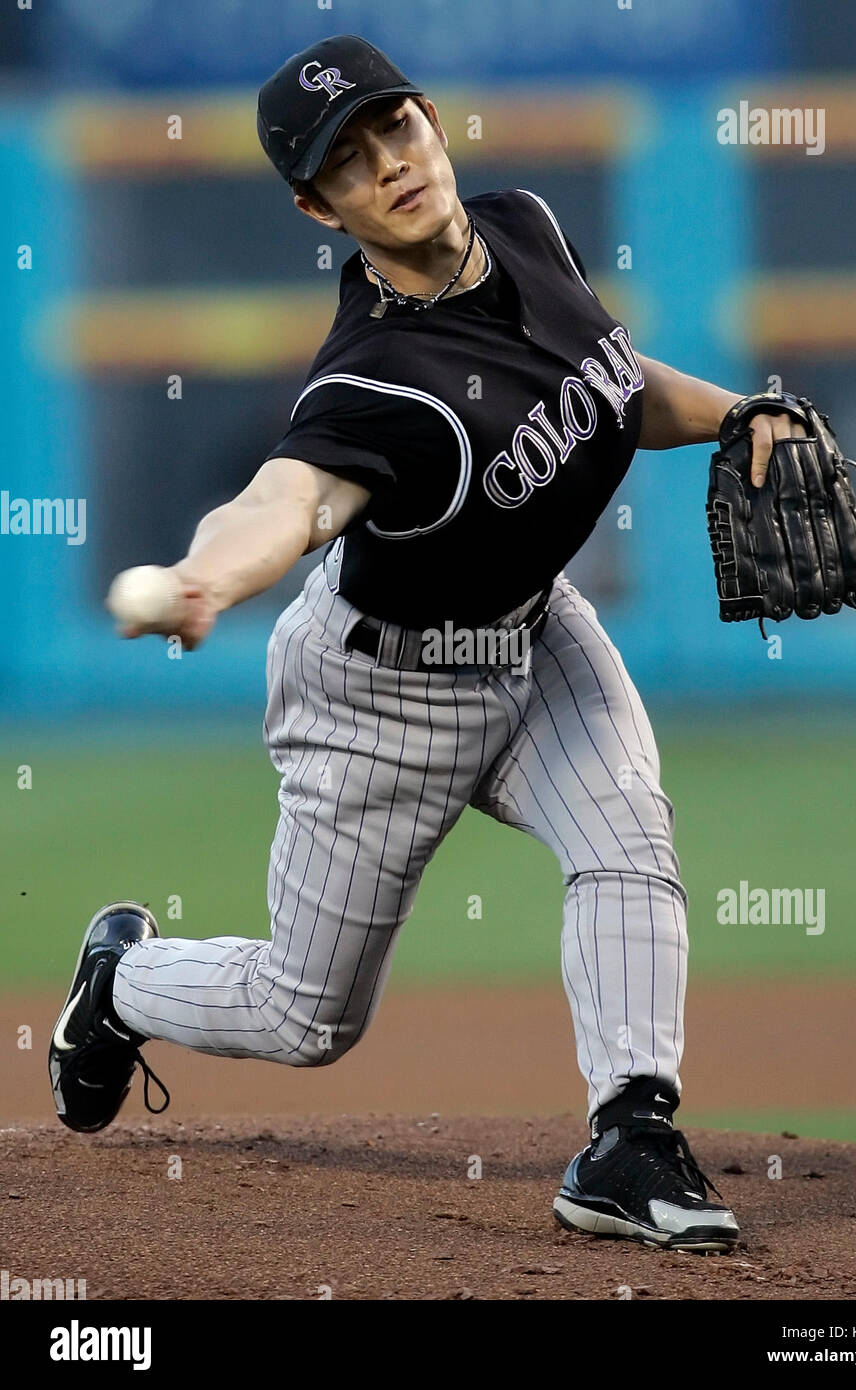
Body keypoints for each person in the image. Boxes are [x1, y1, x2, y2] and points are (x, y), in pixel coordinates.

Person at [50, 34, 806, 1253]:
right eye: (346, 163)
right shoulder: (374, 386)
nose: (387, 164)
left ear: (430, 120)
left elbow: (612, 384)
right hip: (384, 696)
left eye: (391, 127)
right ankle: (120, 982)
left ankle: (630, 1136)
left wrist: (733, 414)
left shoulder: (525, 225)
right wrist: (204, 575)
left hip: (535, 628)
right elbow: (285, 502)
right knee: (309, 1016)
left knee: (628, 842)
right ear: (318, 206)